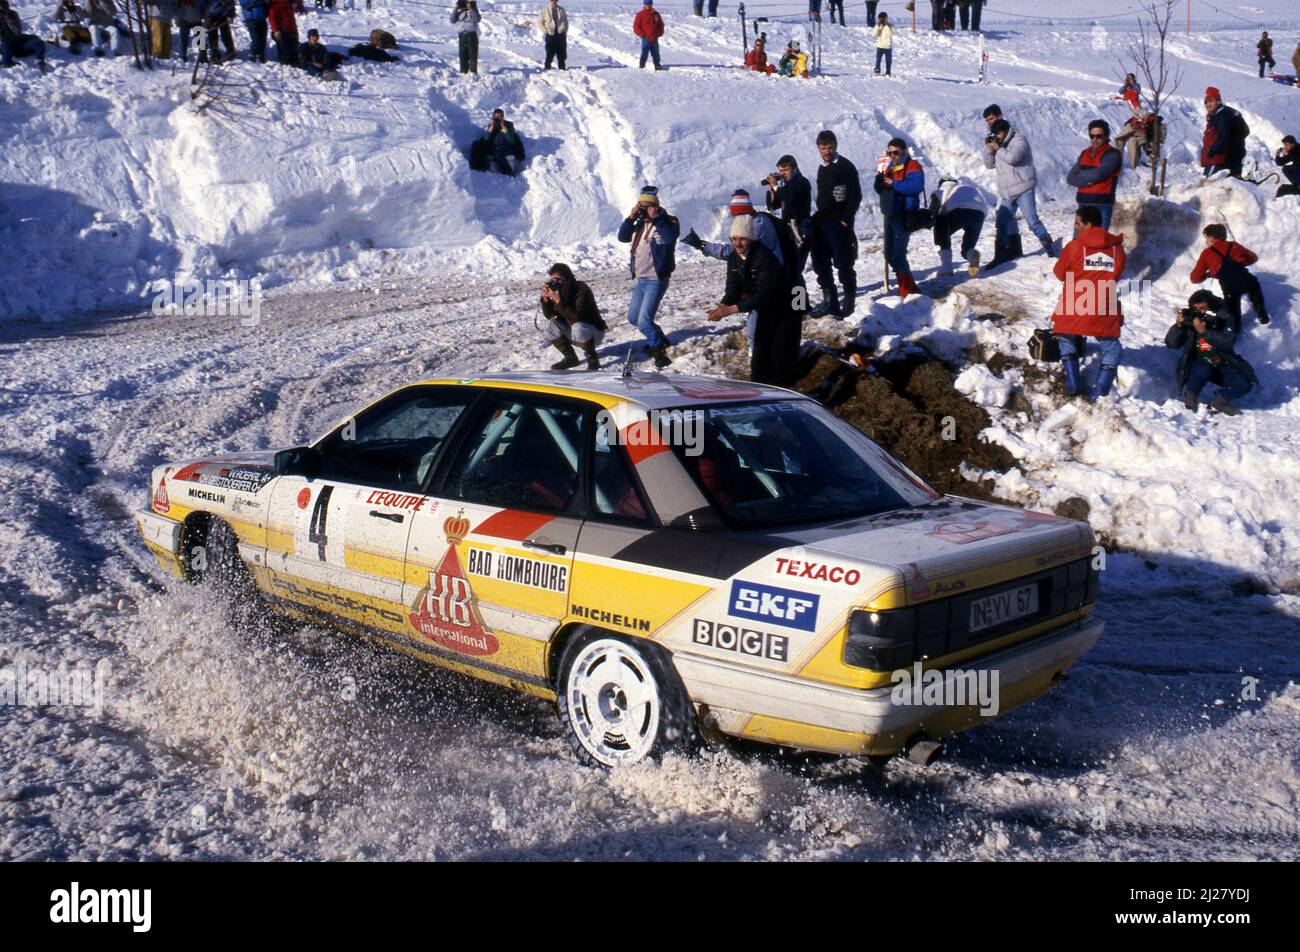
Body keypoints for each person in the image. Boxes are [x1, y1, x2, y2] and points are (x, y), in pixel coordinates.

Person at [682, 188, 799, 345]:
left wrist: (703, 246)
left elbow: (732, 251)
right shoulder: (758, 221)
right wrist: (724, 305)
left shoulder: (756, 226)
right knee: (760, 328)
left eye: (737, 214)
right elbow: (733, 283)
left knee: (760, 330)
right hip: (767, 281)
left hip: (774, 283)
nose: (735, 218)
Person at [706, 217, 801, 388]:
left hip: (786, 308)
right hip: (766, 310)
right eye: (734, 239)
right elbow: (733, 287)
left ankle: (787, 393)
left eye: (742, 238)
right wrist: (722, 305)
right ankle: (761, 392)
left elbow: (762, 294)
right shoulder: (734, 258)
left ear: (750, 238)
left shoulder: (765, 257)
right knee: (760, 359)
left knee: (781, 355)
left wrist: (730, 310)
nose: (738, 243)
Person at [1051, 206, 1126, 400]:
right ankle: (1100, 390)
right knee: (1112, 348)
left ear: (1088, 224)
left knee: (1066, 338)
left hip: (1075, 301)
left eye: (1078, 223)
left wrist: (1077, 275)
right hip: (1103, 304)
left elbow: (1060, 274)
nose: (1075, 227)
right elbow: (1116, 275)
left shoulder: (1074, 246)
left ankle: (1073, 381)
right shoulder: (1117, 250)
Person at [1164, 290, 1257, 415]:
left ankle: (1219, 401)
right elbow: (1172, 344)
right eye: (1195, 308)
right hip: (1199, 363)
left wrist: (1204, 332)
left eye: (1202, 308)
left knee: (1244, 385)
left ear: (1211, 307)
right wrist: (1179, 326)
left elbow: (1228, 342)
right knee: (1203, 368)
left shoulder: (1225, 318)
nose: (1199, 311)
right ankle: (1190, 397)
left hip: (1222, 363)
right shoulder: (1192, 319)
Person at [617, 185, 679, 368]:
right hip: (641, 279)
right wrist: (631, 218)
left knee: (644, 322)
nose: (644, 210)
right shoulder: (640, 223)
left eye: (647, 206)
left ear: (656, 206)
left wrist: (657, 218)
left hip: (656, 279)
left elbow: (669, 238)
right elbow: (622, 237)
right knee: (633, 318)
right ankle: (658, 337)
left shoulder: (669, 221)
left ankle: (658, 349)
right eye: (641, 206)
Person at [984, 117, 1055, 266]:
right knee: (1001, 223)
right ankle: (1000, 254)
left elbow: (1013, 158)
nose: (996, 137)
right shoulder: (1000, 145)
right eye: (994, 134)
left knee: (1032, 221)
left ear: (1005, 131)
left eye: (998, 134)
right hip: (1007, 192)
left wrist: (998, 148)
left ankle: (1050, 249)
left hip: (1023, 188)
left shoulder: (1019, 140)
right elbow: (989, 164)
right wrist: (989, 149)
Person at [810, 130, 861, 318]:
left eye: (830, 147)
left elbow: (855, 195)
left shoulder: (845, 166)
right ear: (818, 148)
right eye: (823, 148)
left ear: (836, 146)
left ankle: (849, 299)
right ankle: (830, 300)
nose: (827, 151)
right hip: (822, 221)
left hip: (839, 223)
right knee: (820, 262)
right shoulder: (822, 168)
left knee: (843, 262)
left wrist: (846, 219)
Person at [1189, 223, 1270, 332]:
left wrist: (1209, 274)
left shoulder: (1207, 253)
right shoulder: (1233, 245)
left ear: (1212, 238)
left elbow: (1195, 278)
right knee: (1254, 286)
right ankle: (1261, 311)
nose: (1205, 241)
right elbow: (1253, 258)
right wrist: (1241, 263)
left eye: (1206, 238)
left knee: (1233, 310)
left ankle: (1235, 329)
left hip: (1230, 288)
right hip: (1245, 279)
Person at [873, 137, 926, 300]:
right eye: (890, 152)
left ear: (904, 151)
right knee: (889, 254)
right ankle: (909, 286)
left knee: (898, 254)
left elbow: (916, 186)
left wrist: (894, 183)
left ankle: (907, 290)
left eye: (895, 152)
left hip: (904, 214)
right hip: (890, 212)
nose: (892, 155)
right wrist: (879, 182)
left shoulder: (913, 166)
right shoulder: (889, 166)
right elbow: (882, 189)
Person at [541, 264, 606, 371]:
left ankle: (593, 358)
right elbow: (549, 315)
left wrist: (558, 301)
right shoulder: (557, 291)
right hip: (573, 332)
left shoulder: (581, 289)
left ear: (567, 278)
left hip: (593, 332)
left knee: (578, 326)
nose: (554, 283)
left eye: (557, 280)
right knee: (549, 324)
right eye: (552, 280)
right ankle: (570, 358)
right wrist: (545, 301)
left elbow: (577, 316)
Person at [1066, 120, 1122, 233]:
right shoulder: (1084, 153)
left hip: (1101, 204)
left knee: (1098, 241)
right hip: (1083, 203)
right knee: (1079, 241)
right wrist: (1088, 180)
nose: (1095, 139)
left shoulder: (1112, 154)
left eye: (1099, 136)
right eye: (1092, 136)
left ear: (1106, 136)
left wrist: (1081, 177)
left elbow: (1098, 174)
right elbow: (1071, 178)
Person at [764, 155, 814, 277]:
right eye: (780, 171)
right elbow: (773, 206)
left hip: (800, 230)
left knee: (795, 269)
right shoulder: (786, 187)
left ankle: (800, 296)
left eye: (785, 170)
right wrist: (772, 189)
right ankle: (793, 295)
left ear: (794, 168)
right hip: (787, 230)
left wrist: (776, 187)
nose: (782, 174)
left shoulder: (802, 182)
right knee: (788, 268)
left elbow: (790, 198)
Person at [931, 176, 985, 276]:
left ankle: (946, 267)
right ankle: (971, 254)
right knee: (968, 245)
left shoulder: (941, 190)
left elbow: (934, 212)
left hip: (958, 211)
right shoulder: (968, 187)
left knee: (941, 233)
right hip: (979, 213)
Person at [1201, 87, 1248, 178]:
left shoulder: (1222, 116)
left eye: (1211, 101)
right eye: (1206, 102)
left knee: (1208, 183)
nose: (1208, 104)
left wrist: (1213, 150)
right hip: (1231, 157)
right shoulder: (1219, 114)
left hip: (1219, 158)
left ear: (1218, 101)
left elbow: (1225, 136)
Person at [469, 108, 526, 175]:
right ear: (493, 117)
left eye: (500, 117)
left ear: (503, 117)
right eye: (496, 117)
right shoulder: (492, 124)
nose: (498, 119)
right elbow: (486, 139)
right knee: (476, 144)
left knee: (499, 153)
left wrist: (504, 128)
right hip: (494, 148)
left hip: (506, 148)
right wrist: (491, 128)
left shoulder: (508, 124)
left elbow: (512, 140)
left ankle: (509, 171)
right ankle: (475, 167)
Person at [0, 0, 47, 67]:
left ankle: (39, 61)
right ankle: (8, 60)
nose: (5, 12)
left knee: (38, 42)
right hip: (8, 44)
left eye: (6, 9)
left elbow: (17, 31)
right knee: (6, 52)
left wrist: (9, 22)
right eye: (2, 10)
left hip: (19, 40)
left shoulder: (13, 14)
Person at [450, 0, 479, 75]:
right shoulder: (459, 10)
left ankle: (473, 73)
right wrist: (456, 8)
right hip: (462, 35)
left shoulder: (473, 9)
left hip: (471, 34)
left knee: (472, 55)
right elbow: (452, 20)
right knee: (462, 55)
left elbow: (477, 19)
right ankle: (463, 73)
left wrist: (471, 9)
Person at [633, 0, 663, 71]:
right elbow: (636, 26)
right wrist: (642, 34)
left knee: (656, 53)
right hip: (646, 38)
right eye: (646, 4)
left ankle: (657, 65)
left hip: (654, 37)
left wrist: (659, 33)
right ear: (644, 4)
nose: (648, 5)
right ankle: (642, 65)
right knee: (644, 52)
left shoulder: (656, 14)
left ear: (652, 4)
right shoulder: (640, 14)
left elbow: (661, 25)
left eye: (649, 4)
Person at [539, 0, 566, 70]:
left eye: (556, 0)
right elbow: (540, 22)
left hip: (560, 34)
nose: (554, 2)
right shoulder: (545, 10)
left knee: (562, 54)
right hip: (551, 34)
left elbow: (565, 22)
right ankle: (547, 68)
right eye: (553, 0)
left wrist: (564, 31)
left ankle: (562, 69)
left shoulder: (561, 10)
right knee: (550, 53)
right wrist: (545, 31)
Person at [267, 0, 296, 65]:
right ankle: (284, 61)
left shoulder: (287, 3)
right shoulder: (275, 4)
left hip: (289, 30)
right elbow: (272, 19)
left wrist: (294, 30)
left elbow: (291, 19)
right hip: (281, 31)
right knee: (283, 48)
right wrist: (276, 31)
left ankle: (289, 60)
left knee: (290, 47)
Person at [872, 12, 892, 76]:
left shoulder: (889, 26)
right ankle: (877, 70)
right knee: (878, 59)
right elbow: (874, 34)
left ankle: (888, 72)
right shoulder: (878, 26)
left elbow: (893, 32)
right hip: (880, 46)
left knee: (888, 61)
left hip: (888, 47)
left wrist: (888, 25)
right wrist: (878, 26)